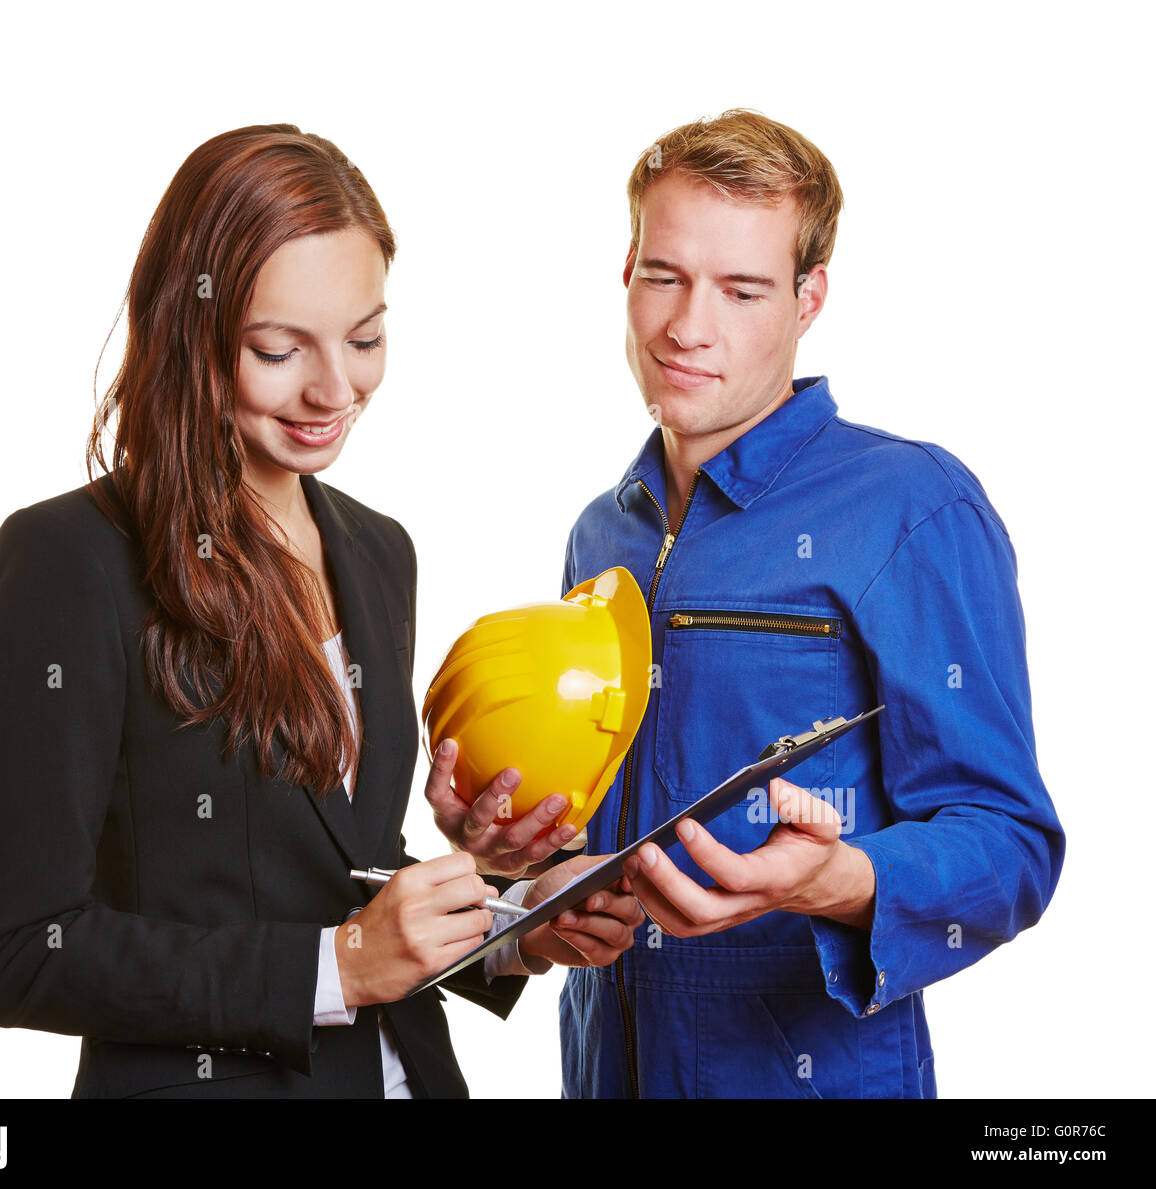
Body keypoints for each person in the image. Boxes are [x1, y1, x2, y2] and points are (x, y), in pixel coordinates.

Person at [0, 123, 641, 1099]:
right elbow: (20, 948)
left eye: (365, 339)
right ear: (191, 332)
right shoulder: (72, 560)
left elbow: (334, 864)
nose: (334, 389)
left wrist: (514, 920)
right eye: (279, 350)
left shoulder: (378, 549)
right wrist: (338, 968)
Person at [444, 109, 1066, 1098]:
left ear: (808, 297)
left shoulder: (910, 507)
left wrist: (840, 879)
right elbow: (591, 835)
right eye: (664, 277)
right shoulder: (603, 534)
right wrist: (516, 861)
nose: (688, 327)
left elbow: (1010, 843)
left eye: (741, 290)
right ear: (626, 272)